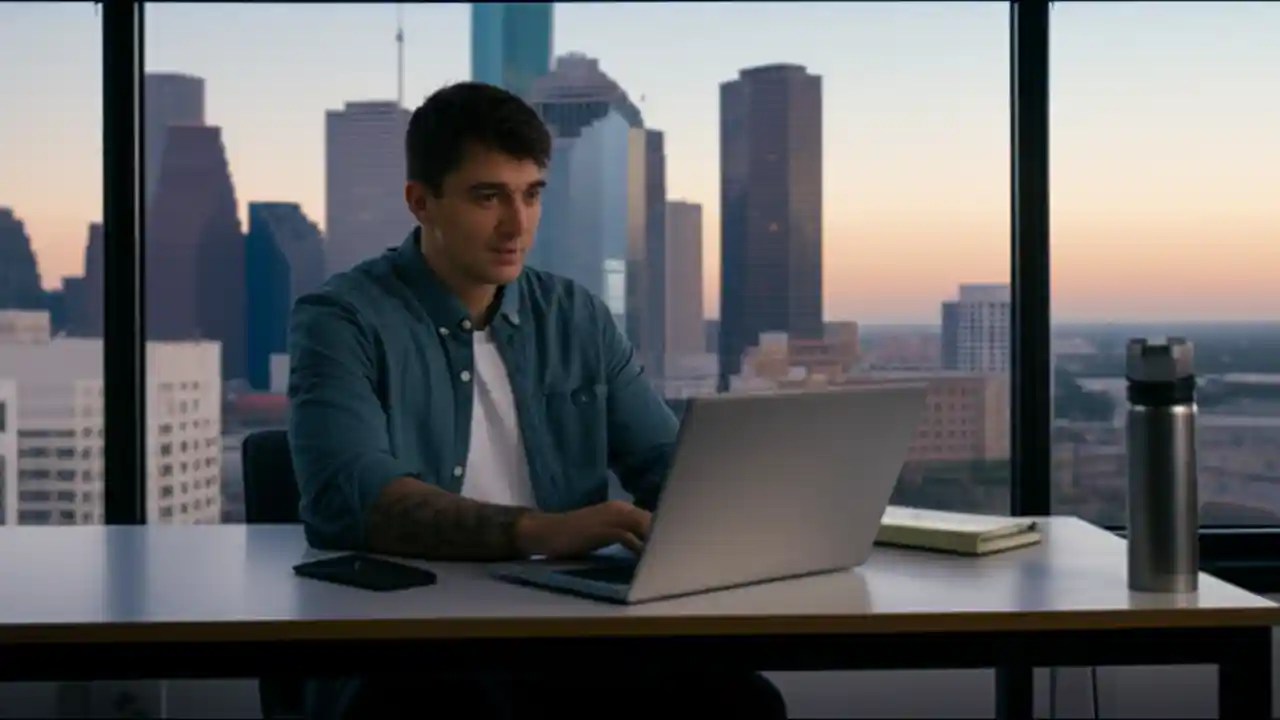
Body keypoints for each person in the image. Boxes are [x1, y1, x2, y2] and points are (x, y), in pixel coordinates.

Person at [286, 81, 788, 720]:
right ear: (421, 202)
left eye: (531, 194)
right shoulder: (342, 319)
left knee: (741, 700)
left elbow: (666, 465)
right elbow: (354, 498)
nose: (516, 225)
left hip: (566, 627)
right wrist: (542, 531)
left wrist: (765, 515)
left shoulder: (575, 316)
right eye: (488, 196)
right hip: (407, 642)